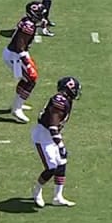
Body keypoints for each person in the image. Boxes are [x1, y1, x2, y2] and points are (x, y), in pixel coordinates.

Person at [29, 77, 81, 208]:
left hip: (51, 136)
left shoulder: (65, 99)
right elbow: (52, 126)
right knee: (52, 166)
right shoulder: (59, 102)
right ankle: (37, 190)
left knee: (62, 162)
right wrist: (60, 144)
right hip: (43, 136)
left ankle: (58, 197)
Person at [3, 2, 49, 123]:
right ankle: (16, 108)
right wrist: (26, 63)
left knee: (27, 79)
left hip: (17, 54)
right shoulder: (28, 26)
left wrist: (39, 26)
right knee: (31, 80)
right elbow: (20, 46)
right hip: (15, 56)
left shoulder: (28, 21)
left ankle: (17, 104)